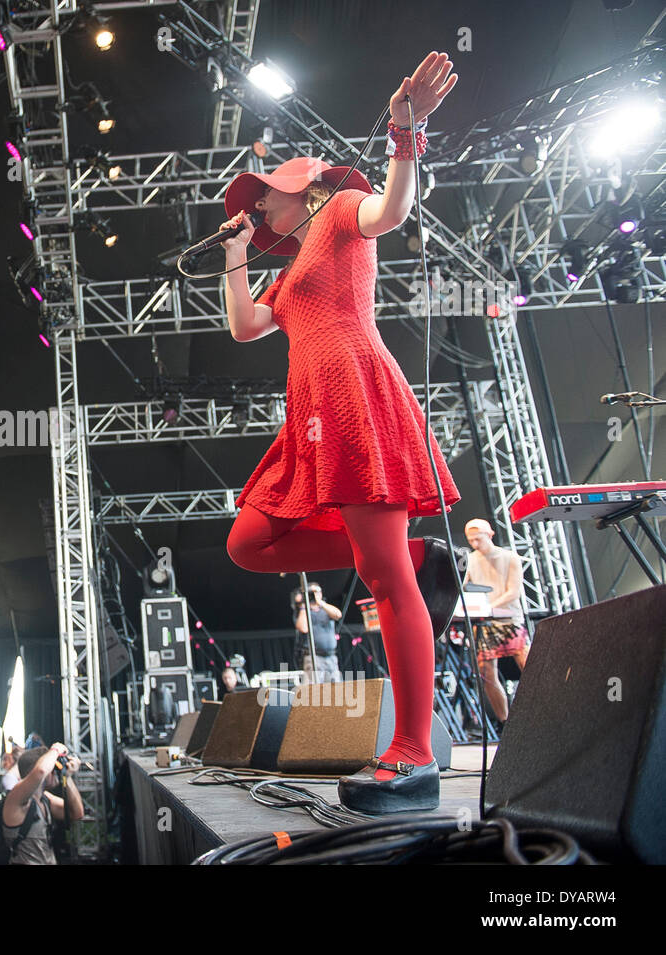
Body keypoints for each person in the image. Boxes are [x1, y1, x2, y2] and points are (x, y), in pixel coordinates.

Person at [221, 52, 461, 814]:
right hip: (314, 420)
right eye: (253, 205)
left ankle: (413, 750)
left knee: (385, 582)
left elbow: (393, 209)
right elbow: (244, 326)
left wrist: (404, 129)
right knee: (248, 541)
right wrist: (233, 255)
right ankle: (416, 557)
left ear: (304, 189)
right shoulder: (284, 275)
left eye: (263, 200)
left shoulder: (341, 218)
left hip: (356, 395)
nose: (257, 211)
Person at [463, 518, 530, 723]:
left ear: (489, 534)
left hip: (510, 618)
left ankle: (542, 710)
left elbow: (513, 591)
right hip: (485, 622)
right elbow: (463, 587)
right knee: (486, 672)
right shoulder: (470, 560)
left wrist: (491, 607)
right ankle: (505, 721)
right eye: (471, 540)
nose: (475, 544)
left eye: (478, 539)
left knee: (528, 664)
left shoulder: (509, 557)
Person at [0, 744, 83, 865]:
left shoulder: (45, 799)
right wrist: (55, 750)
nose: (55, 772)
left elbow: (77, 813)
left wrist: (67, 777)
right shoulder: (15, 800)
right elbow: (40, 771)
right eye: (53, 769)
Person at [293, 583, 343, 683]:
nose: (314, 595)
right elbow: (303, 628)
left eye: (316, 592)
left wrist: (320, 603)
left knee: (336, 689)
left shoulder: (325, 609)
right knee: (315, 690)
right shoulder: (302, 612)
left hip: (331, 656)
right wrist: (303, 605)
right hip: (313, 657)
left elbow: (338, 615)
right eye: (311, 593)